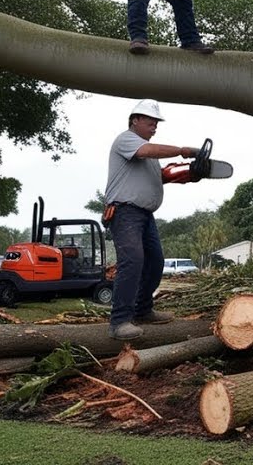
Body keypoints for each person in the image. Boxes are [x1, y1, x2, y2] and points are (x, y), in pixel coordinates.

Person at [103, 99, 204, 340]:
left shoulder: (150, 154)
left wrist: (189, 174)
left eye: (156, 123)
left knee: (155, 262)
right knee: (133, 261)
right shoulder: (127, 140)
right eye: (150, 121)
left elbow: (161, 176)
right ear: (135, 120)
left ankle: (142, 310)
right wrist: (182, 150)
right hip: (125, 212)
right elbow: (147, 150)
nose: (154, 126)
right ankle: (120, 322)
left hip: (145, 215)